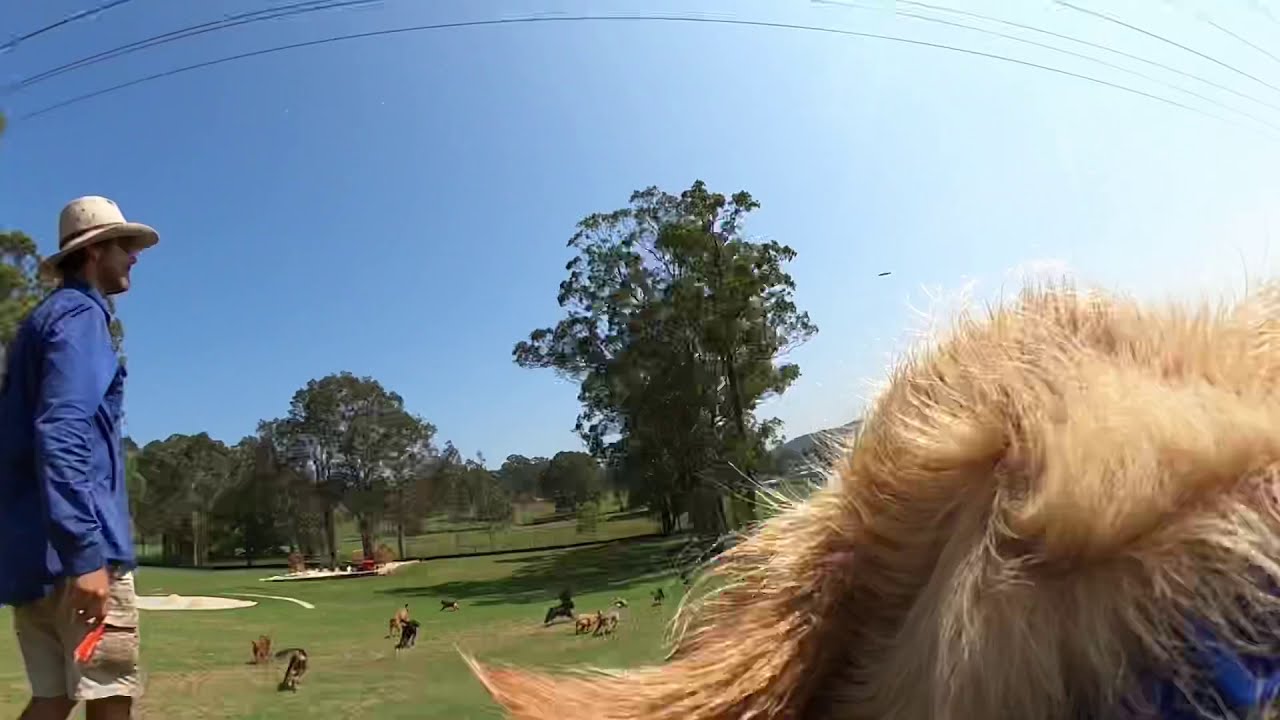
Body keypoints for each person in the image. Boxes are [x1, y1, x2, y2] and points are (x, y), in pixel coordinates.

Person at [0, 196, 159, 720]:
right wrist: (84, 552)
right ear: (95, 252)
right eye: (125, 246)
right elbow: (63, 429)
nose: (134, 257)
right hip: (79, 556)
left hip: (33, 558)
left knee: (53, 696)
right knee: (109, 692)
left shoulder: (37, 325)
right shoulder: (81, 316)